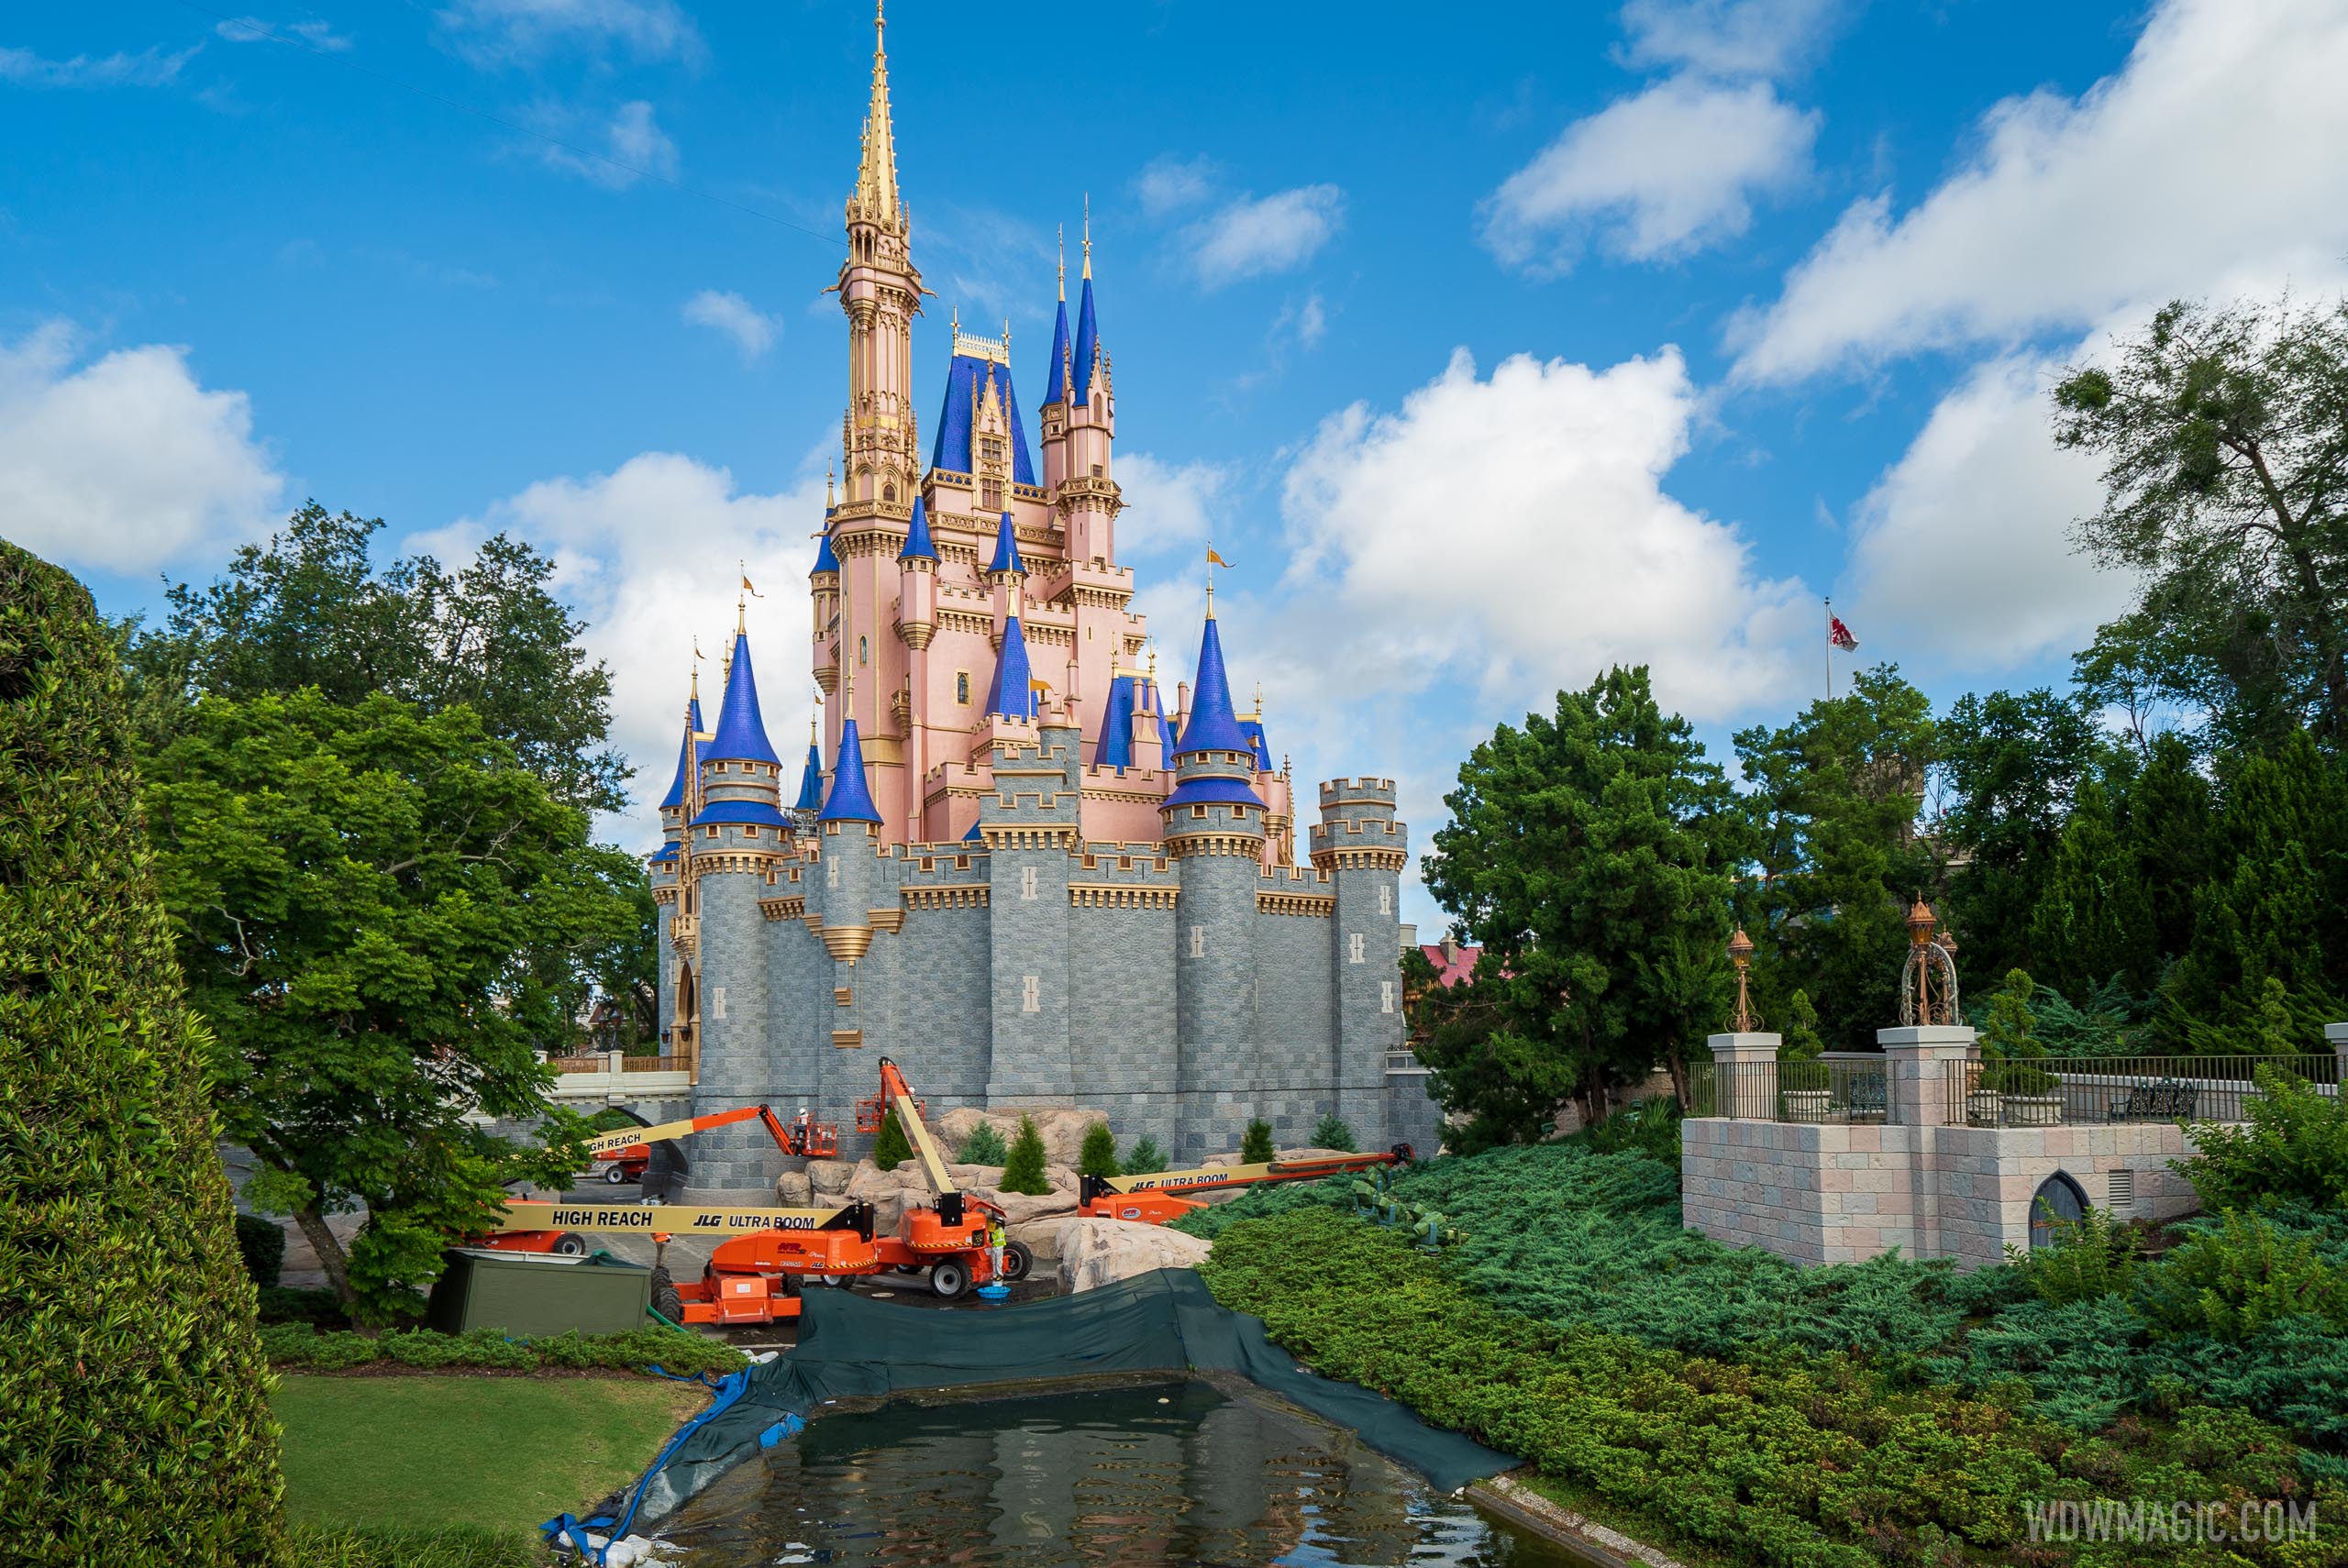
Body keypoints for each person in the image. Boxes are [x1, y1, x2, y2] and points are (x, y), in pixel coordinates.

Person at [987, 1214, 1006, 1285]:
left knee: (998, 1262)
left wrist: (991, 1233)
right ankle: (995, 1275)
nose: (995, 1224)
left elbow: (993, 1240)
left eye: (997, 1223)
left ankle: (1000, 1275)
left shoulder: (1000, 1230)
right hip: (994, 1247)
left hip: (999, 1247)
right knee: (994, 1262)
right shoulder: (995, 1230)